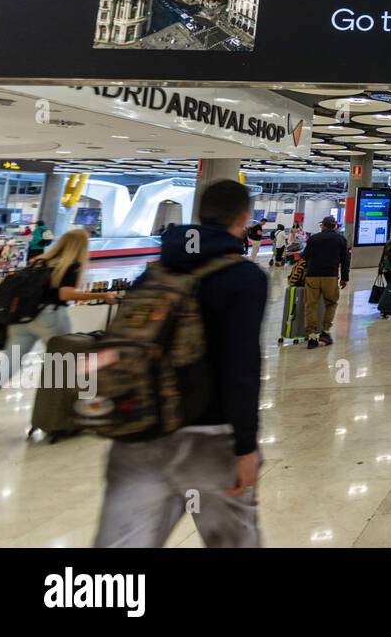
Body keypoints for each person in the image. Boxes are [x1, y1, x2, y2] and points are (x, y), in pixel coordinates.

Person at [94, 179, 267, 547]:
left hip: (142, 430)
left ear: (200, 214)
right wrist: (246, 445)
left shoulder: (154, 271)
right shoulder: (243, 277)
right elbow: (241, 368)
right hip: (211, 439)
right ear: (244, 217)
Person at [0, 228, 117, 398]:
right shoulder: (71, 265)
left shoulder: (41, 261)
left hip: (22, 318)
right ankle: (61, 410)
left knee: (8, 365)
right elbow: (64, 294)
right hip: (50, 317)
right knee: (62, 365)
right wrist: (103, 295)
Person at [301, 215, 349, 350]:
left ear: (323, 226)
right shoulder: (340, 239)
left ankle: (311, 336)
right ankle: (325, 332)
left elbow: (304, 257)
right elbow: (345, 261)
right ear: (334, 226)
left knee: (310, 305)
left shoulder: (313, 238)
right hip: (330, 276)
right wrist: (344, 278)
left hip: (312, 276)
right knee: (331, 303)